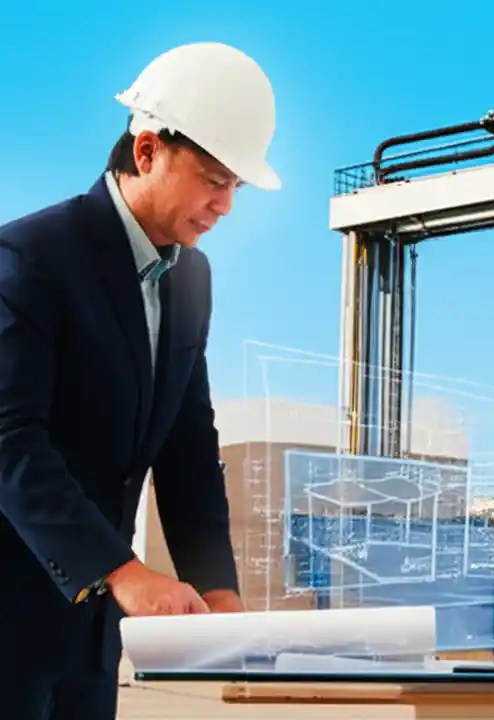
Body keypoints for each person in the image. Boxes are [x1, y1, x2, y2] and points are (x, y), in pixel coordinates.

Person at [0, 42, 280, 718]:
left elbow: (188, 444)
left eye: (237, 185)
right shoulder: (30, 259)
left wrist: (218, 590)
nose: (226, 205)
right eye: (215, 179)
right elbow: (11, 441)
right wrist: (121, 571)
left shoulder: (191, 279)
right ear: (148, 149)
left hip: (92, 640)